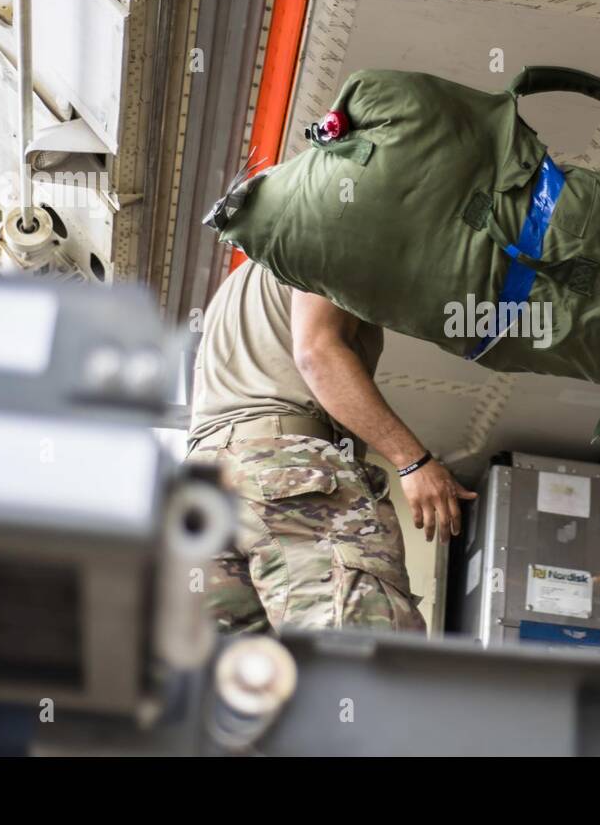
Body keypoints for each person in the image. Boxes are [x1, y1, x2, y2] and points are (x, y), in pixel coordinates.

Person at [185, 259, 474, 634]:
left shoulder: (239, 280)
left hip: (204, 486)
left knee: (235, 677)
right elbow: (317, 355)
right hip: (284, 472)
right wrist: (412, 462)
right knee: (355, 653)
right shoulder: (320, 240)